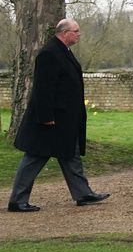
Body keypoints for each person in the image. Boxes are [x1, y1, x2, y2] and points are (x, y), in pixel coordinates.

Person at [7, 18, 110, 212]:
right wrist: (45, 116)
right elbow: (43, 89)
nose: (79, 35)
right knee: (34, 158)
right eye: (76, 31)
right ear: (64, 33)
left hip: (64, 120)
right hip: (49, 120)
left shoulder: (64, 52)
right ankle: (17, 200)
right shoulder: (49, 53)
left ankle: (83, 193)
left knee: (70, 155)